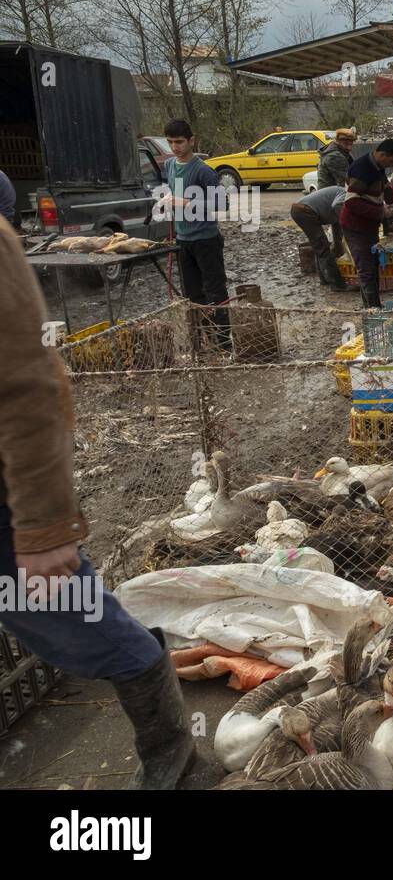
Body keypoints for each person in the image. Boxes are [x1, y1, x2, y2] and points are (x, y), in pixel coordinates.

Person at [0, 217, 212, 789]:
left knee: (66, 619)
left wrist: (44, 526)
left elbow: (29, 384)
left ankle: (173, 745)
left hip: (9, 501)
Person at [161, 119, 230, 347]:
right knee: (192, 295)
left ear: (191, 140)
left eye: (179, 142)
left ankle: (223, 344)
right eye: (170, 142)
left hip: (206, 240)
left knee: (215, 292)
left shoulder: (203, 171)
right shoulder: (170, 166)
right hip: (183, 240)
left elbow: (222, 203)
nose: (174, 147)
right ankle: (201, 343)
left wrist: (185, 202)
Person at [339, 138, 393, 309]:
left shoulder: (378, 167)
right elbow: (351, 202)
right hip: (355, 226)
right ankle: (374, 311)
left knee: (372, 267)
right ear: (382, 154)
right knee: (366, 270)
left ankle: (372, 307)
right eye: (392, 160)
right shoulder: (362, 169)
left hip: (369, 225)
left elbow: (386, 187)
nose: (392, 165)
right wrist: (382, 212)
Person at [291, 185, 348, 289]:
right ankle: (337, 285)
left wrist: (339, 251)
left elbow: (338, 235)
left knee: (320, 247)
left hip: (303, 210)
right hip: (303, 210)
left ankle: (325, 280)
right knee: (322, 247)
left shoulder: (339, 208)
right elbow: (337, 206)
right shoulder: (345, 194)